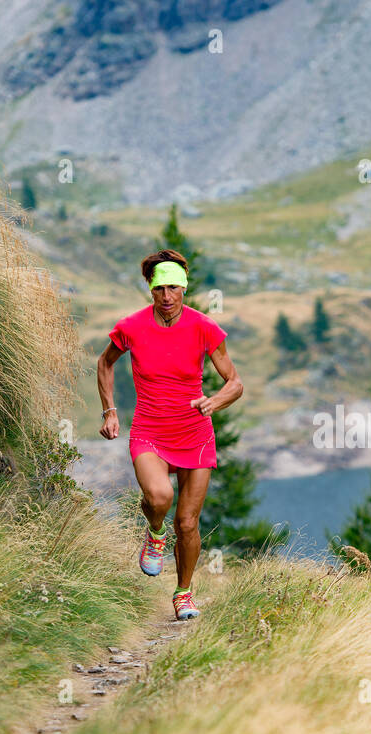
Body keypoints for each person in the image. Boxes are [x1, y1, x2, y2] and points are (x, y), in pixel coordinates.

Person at [95, 250, 243, 620]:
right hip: (149, 430)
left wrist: (216, 401)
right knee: (159, 497)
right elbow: (105, 362)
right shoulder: (131, 327)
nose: (166, 296)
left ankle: (183, 594)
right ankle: (155, 531)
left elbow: (235, 383)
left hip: (195, 432)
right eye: (159, 287)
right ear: (150, 288)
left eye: (173, 287)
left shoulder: (204, 327)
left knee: (189, 522)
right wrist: (110, 411)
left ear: (184, 289)